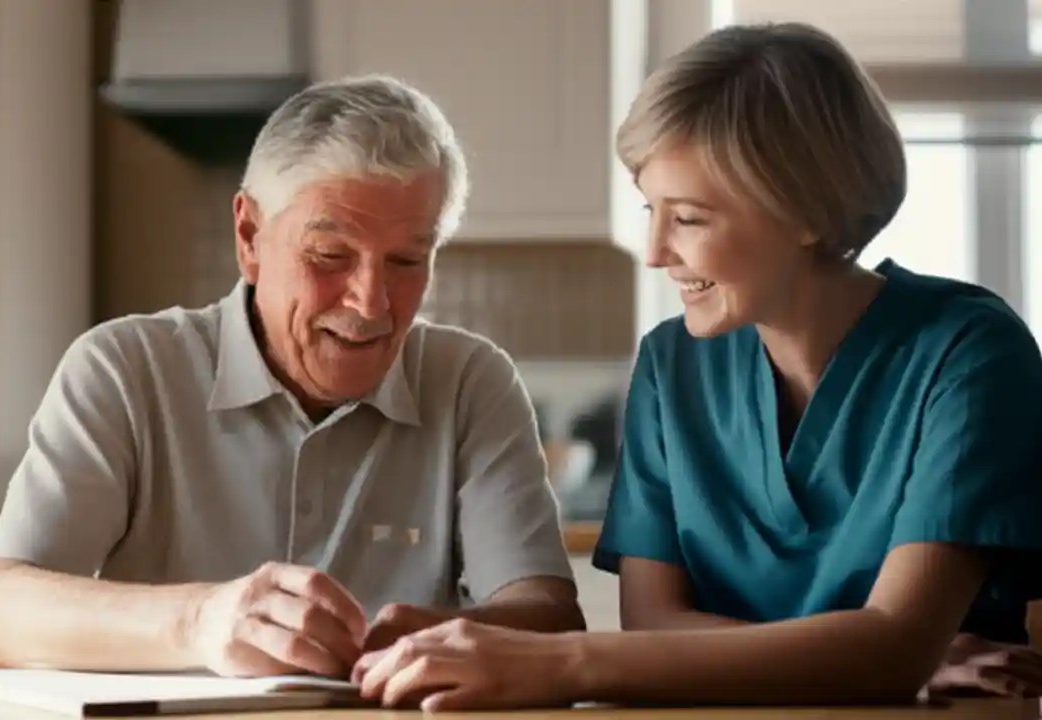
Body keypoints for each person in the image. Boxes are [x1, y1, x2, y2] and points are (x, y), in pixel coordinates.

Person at [352, 23, 1042, 710]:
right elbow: (652, 623)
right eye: (652, 209)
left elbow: (890, 649)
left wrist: (558, 660)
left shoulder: (969, 352)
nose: (653, 251)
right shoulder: (671, 364)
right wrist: (850, 655)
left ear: (803, 209)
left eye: (687, 218)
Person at [0, 75, 583, 678]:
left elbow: (551, 621)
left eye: (406, 261)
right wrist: (202, 621)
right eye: (329, 257)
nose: (372, 303)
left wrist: (441, 639)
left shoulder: (472, 382)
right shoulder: (125, 370)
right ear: (249, 236)